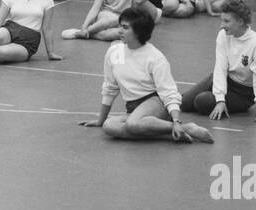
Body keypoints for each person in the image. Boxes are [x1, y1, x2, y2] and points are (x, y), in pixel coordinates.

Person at [78, 8, 213, 143]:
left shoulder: (155, 57)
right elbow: (110, 87)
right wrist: (101, 120)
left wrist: (176, 120)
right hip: (133, 108)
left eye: (125, 27)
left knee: (132, 125)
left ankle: (184, 128)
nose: (119, 30)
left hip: (156, 103)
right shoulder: (114, 52)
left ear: (138, 31)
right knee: (110, 126)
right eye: (120, 26)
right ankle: (169, 134)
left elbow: (169, 92)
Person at [182, 0, 256, 124]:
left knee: (201, 102)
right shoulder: (223, 35)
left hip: (244, 93)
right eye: (222, 20)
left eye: (226, 21)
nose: (221, 25)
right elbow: (220, 68)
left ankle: (214, 96)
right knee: (184, 103)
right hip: (227, 79)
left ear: (240, 21)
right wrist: (220, 100)